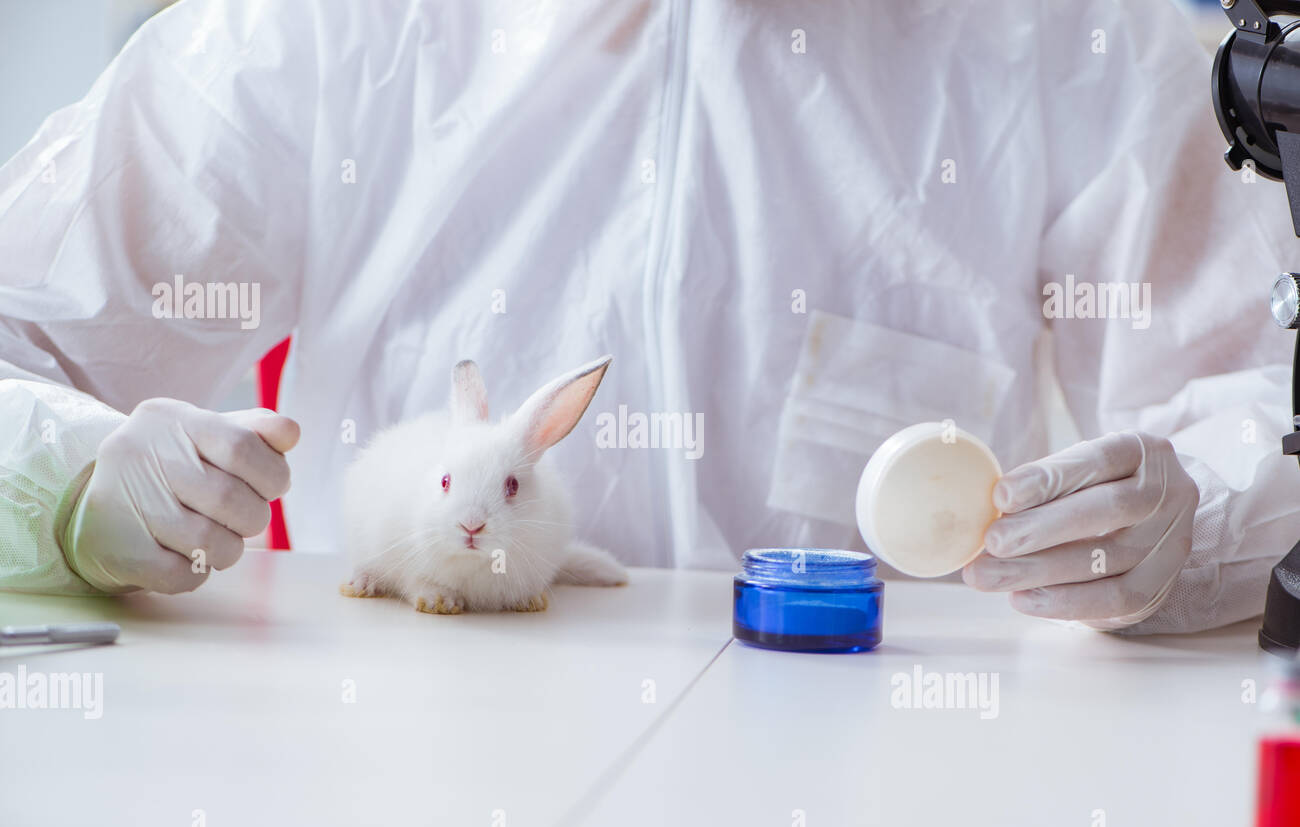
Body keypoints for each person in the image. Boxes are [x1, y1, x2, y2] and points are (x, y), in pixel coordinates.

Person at [0, 0, 1295, 634]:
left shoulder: (1060, 41)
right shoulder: (324, 38)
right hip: (393, 809)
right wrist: (70, 478)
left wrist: (1196, 523)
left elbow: (1266, 395)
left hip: (892, 817)